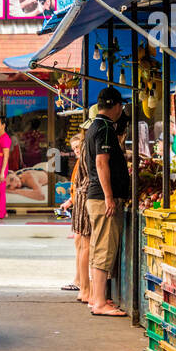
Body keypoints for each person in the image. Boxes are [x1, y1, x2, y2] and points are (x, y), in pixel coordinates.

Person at [84, 87, 130, 317]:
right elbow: (102, 163)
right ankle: (100, 302)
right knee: (103, 248)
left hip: (98, 198)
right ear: (116, 106)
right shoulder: (103, 128)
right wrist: (110, 196)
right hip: (103, 199)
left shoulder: (95, 127)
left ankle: (97, 297)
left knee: (98, 247)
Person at [60, 133, 91, 301]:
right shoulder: (80, 163)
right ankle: (79, 281)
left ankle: (81, 283)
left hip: (82, 207)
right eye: (74, 149)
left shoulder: (83, 162)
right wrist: (70, 201)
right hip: (79, 206)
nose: (76, 151)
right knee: (80, 244)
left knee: (82, 244)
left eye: (78, 147)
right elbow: (77, 187)